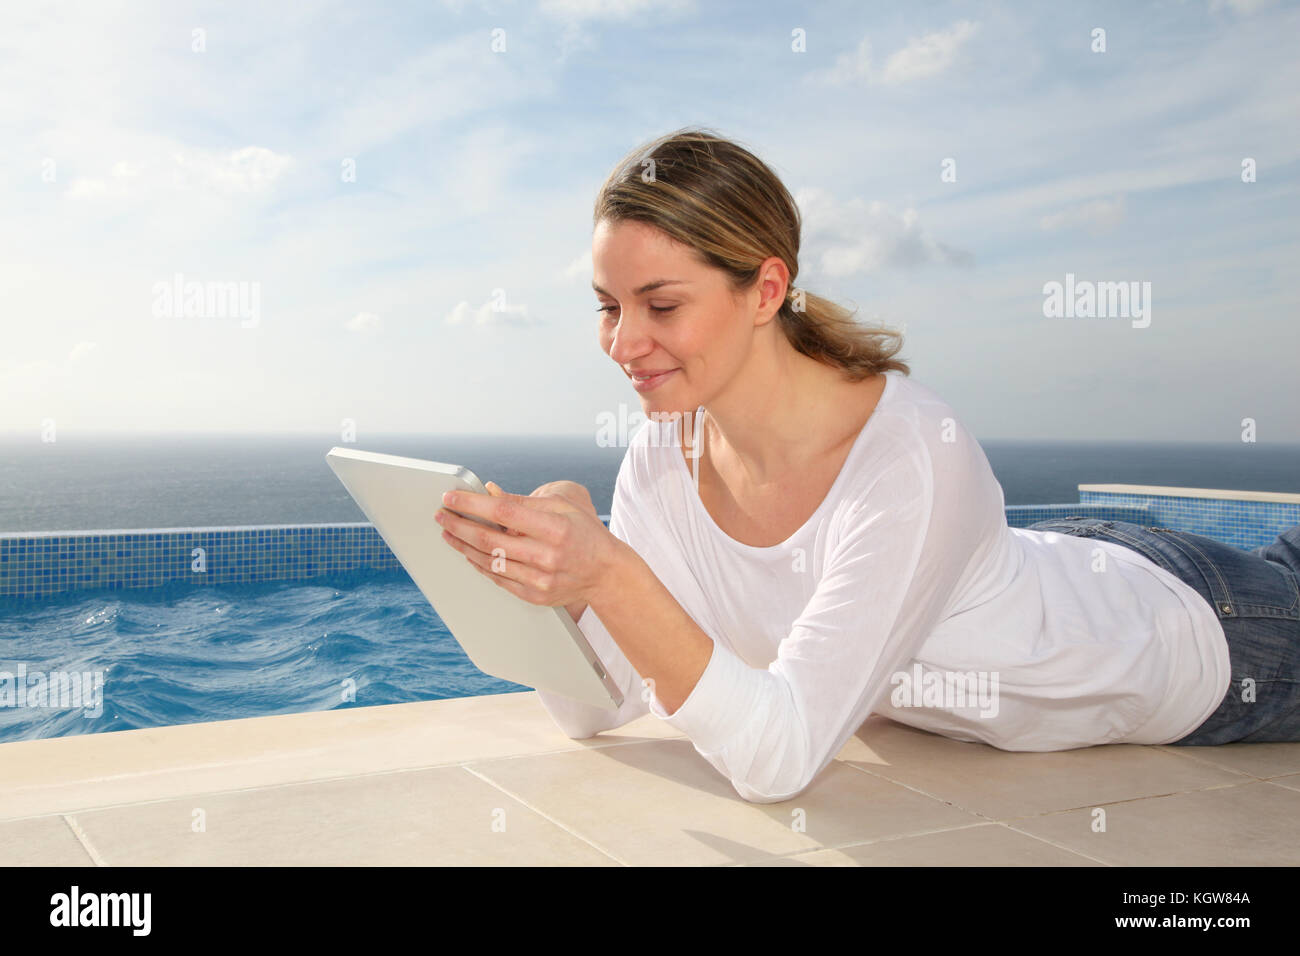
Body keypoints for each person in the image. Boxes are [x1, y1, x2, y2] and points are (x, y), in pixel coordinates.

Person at [434, 127, 1300, 804]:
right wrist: (569, 590)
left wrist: (612, 573)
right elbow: (600, 710)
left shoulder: (910, 454)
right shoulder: (668, 451)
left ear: (767, 291)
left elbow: (779, 761)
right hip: (1040, 567)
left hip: (1201, 633)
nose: (623, 343)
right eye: (607, 306)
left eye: (660, 304)